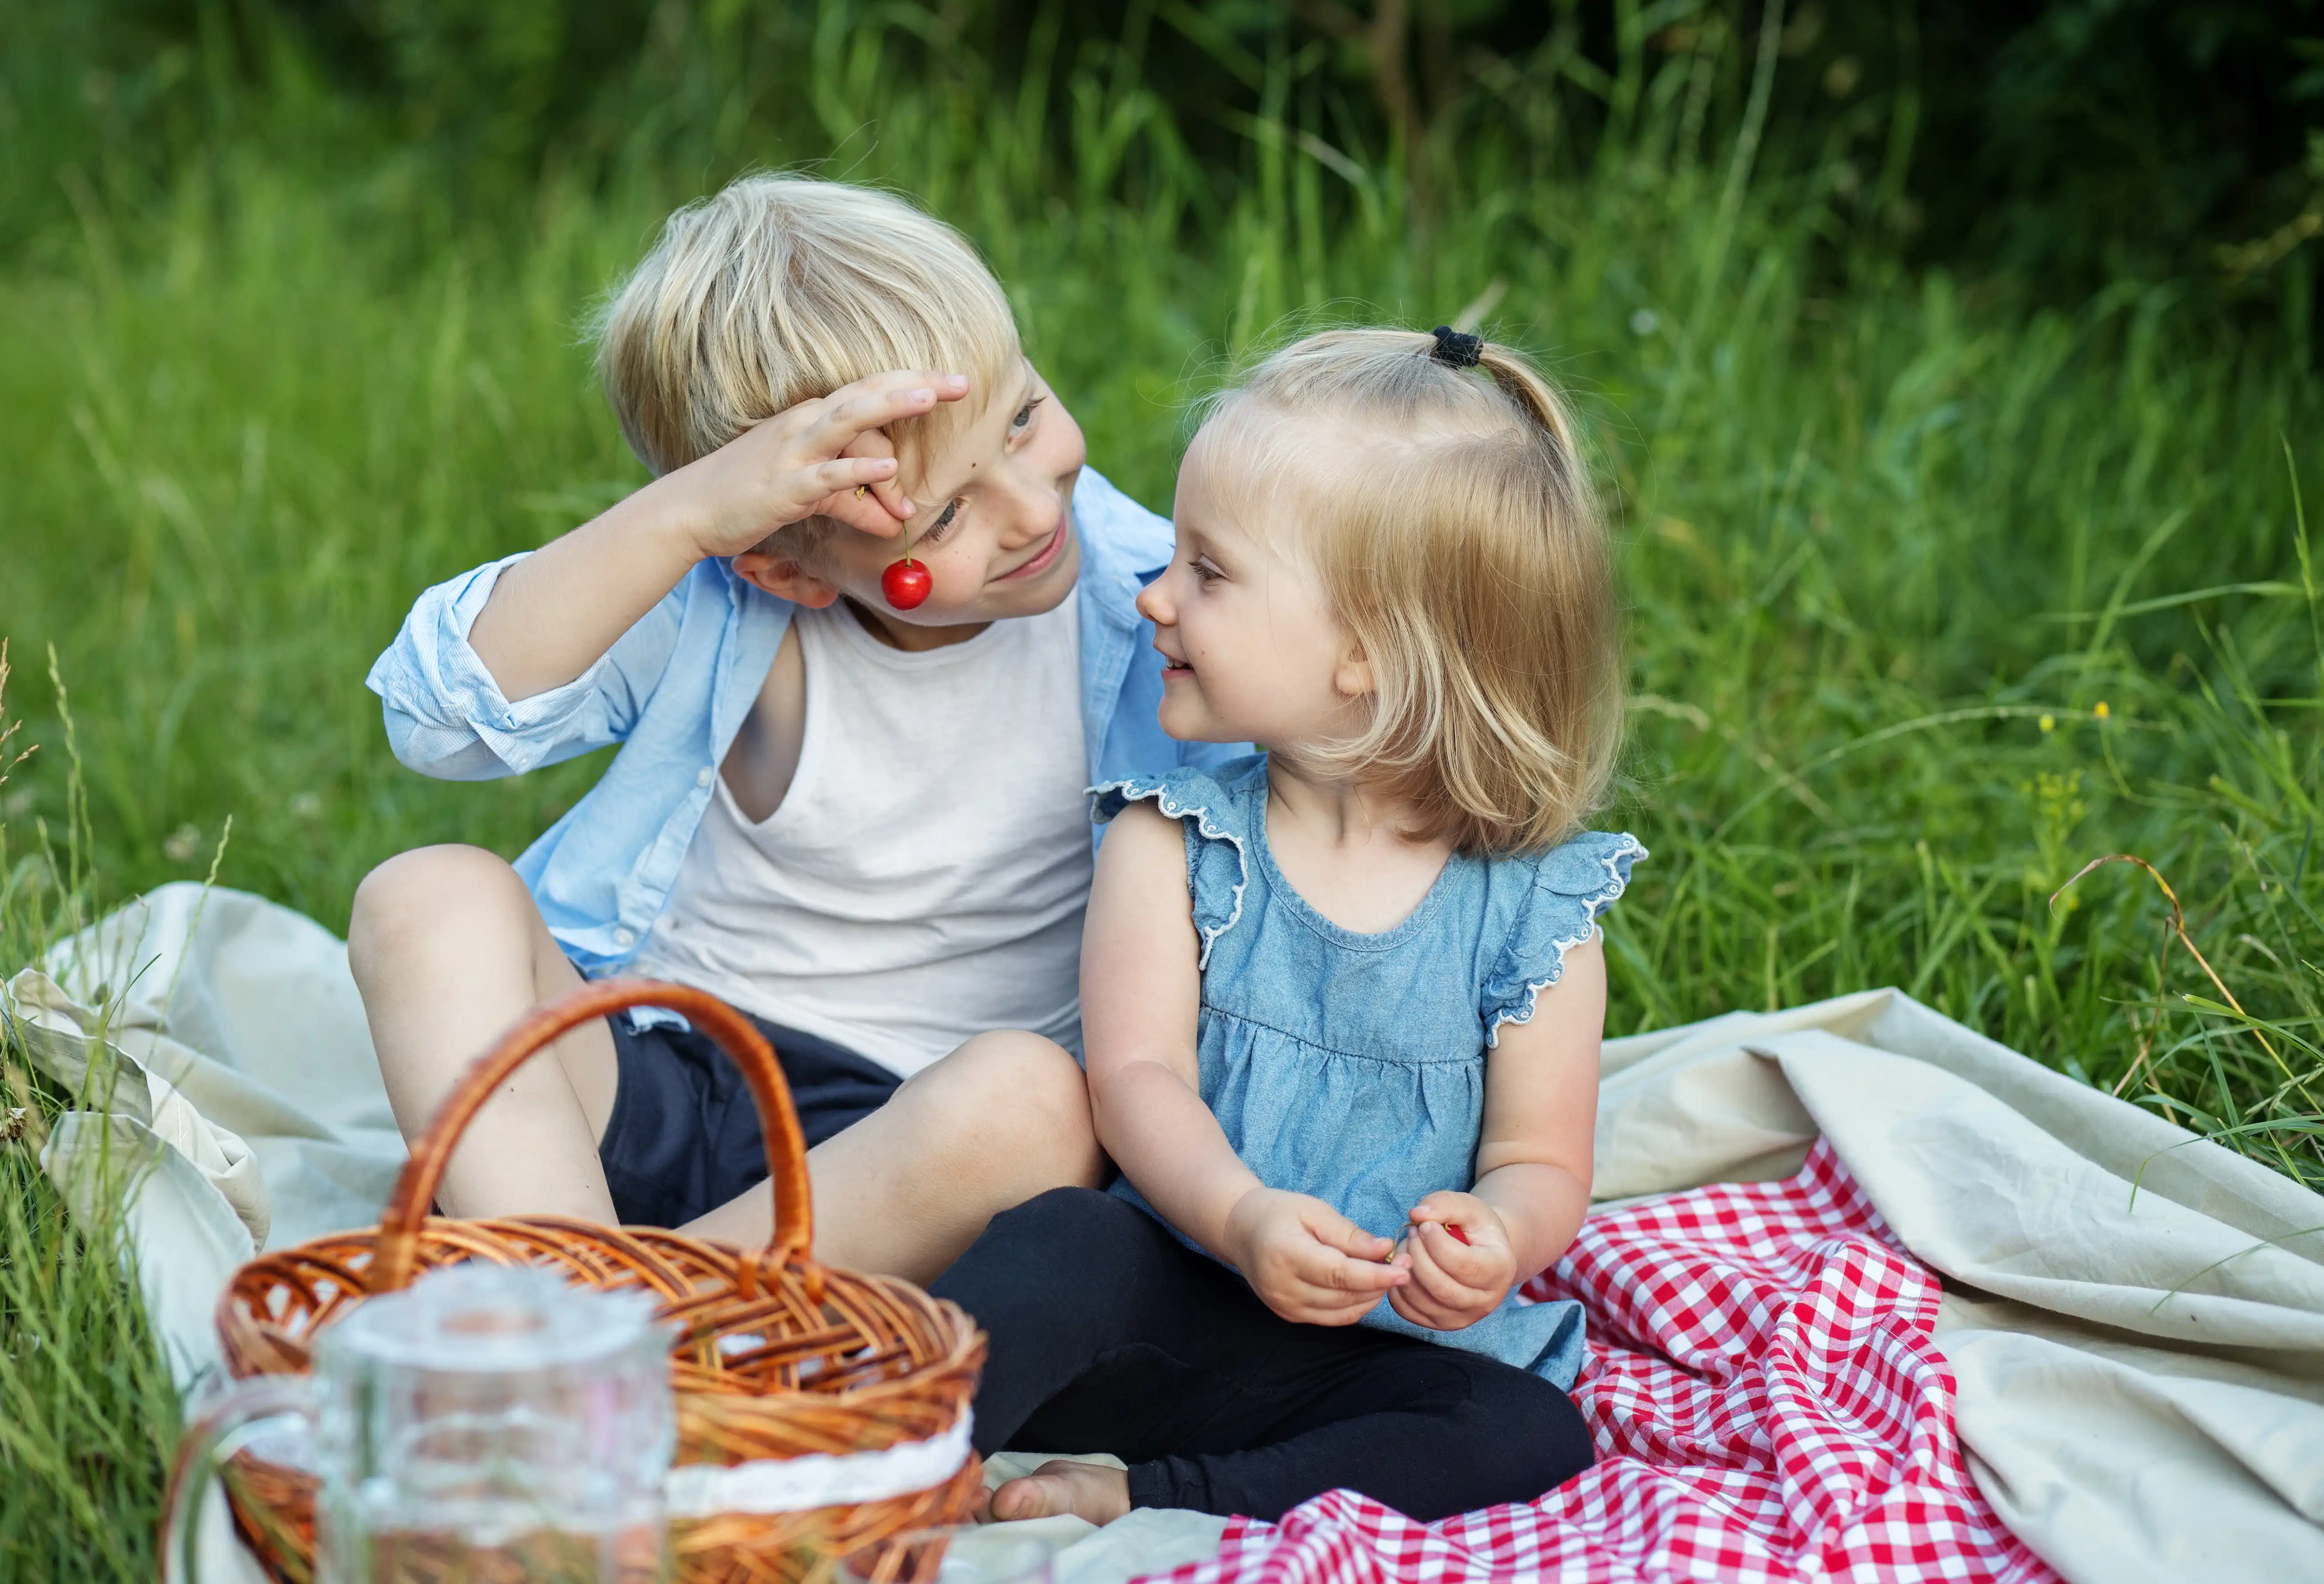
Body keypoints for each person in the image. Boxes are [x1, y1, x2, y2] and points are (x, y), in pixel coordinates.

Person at [349, 174, 1241, 1280]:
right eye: (948, 513)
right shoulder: (728, 600)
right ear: (782, 561)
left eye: (1021, 417)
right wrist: (680, 519)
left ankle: (602, 1321)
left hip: (906, 1161)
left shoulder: (1152, 602)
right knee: (425, 897)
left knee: (1040, 1103)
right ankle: (580, 1297)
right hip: (648, 1082)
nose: (1034, 507)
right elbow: (436, 720)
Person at [932, 325, 1643, 1523]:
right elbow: (1137, 1077)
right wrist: (1239, 1214)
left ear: (1364, 649)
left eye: (1208, 570)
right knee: (1062, 1244)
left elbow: (1540, 1157)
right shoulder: (1174, 840)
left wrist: (1494, 1237)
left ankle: (1142, 1494)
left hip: (1354, 1360)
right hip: (1165, 1298)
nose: (1154, 595)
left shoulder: (1535, 910)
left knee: (1528, 1430)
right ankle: (879, 1456)